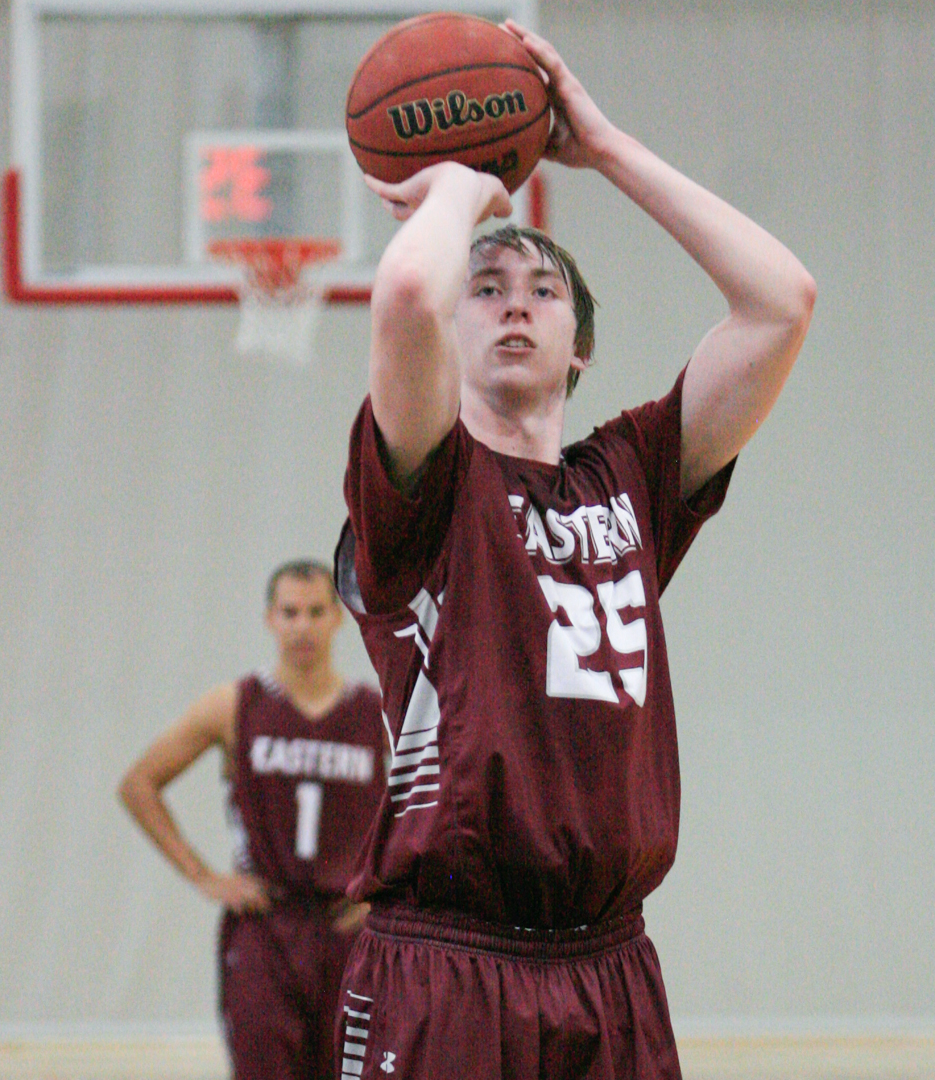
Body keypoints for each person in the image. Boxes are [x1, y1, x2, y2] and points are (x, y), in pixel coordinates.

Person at [331, 21, 816, 1080]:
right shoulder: (429, 482)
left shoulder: (632, 475)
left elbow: (781, 301)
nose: (514, 302)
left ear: (579, 345)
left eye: (543, 291)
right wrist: (460, 183)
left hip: (611, 963)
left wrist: (602, 150)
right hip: (448, 964)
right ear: (453, 330)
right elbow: (410, 293)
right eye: (489, 287)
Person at [119, 559, 388, 1080]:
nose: (302, 626)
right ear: (269, 619)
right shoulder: (235, 705)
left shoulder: (374, 711)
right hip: (267, 926)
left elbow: (437, 793)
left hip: (347, 929)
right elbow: (139, 784)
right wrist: (204, 877)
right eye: (290, 612)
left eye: (315, 612)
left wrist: (389, 888)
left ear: (338, 618)